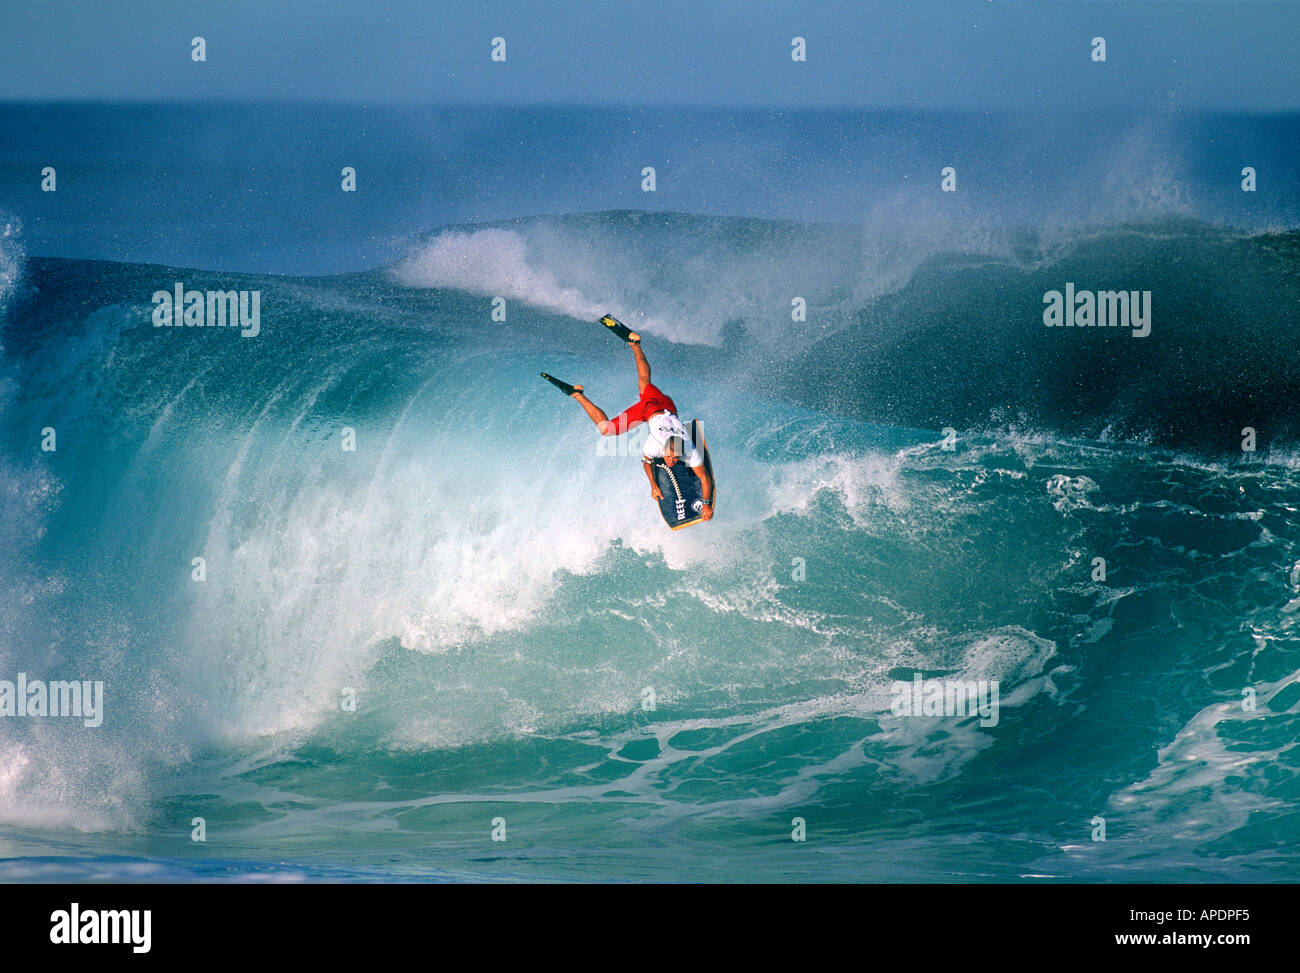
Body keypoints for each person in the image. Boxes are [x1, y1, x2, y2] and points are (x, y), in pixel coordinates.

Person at [542, 332, 714, 520]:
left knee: (644, 383)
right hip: (651, 409)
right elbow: (646, 460)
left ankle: (635, 343)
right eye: (670, 457)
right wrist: (653, 484)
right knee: (606, 429)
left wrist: (705, 505)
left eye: (674, 458)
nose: (671, 462)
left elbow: (705, 479)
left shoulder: (687, 448)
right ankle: (578, 395)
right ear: (663, 449)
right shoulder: (655, 443)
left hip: (668, 406)